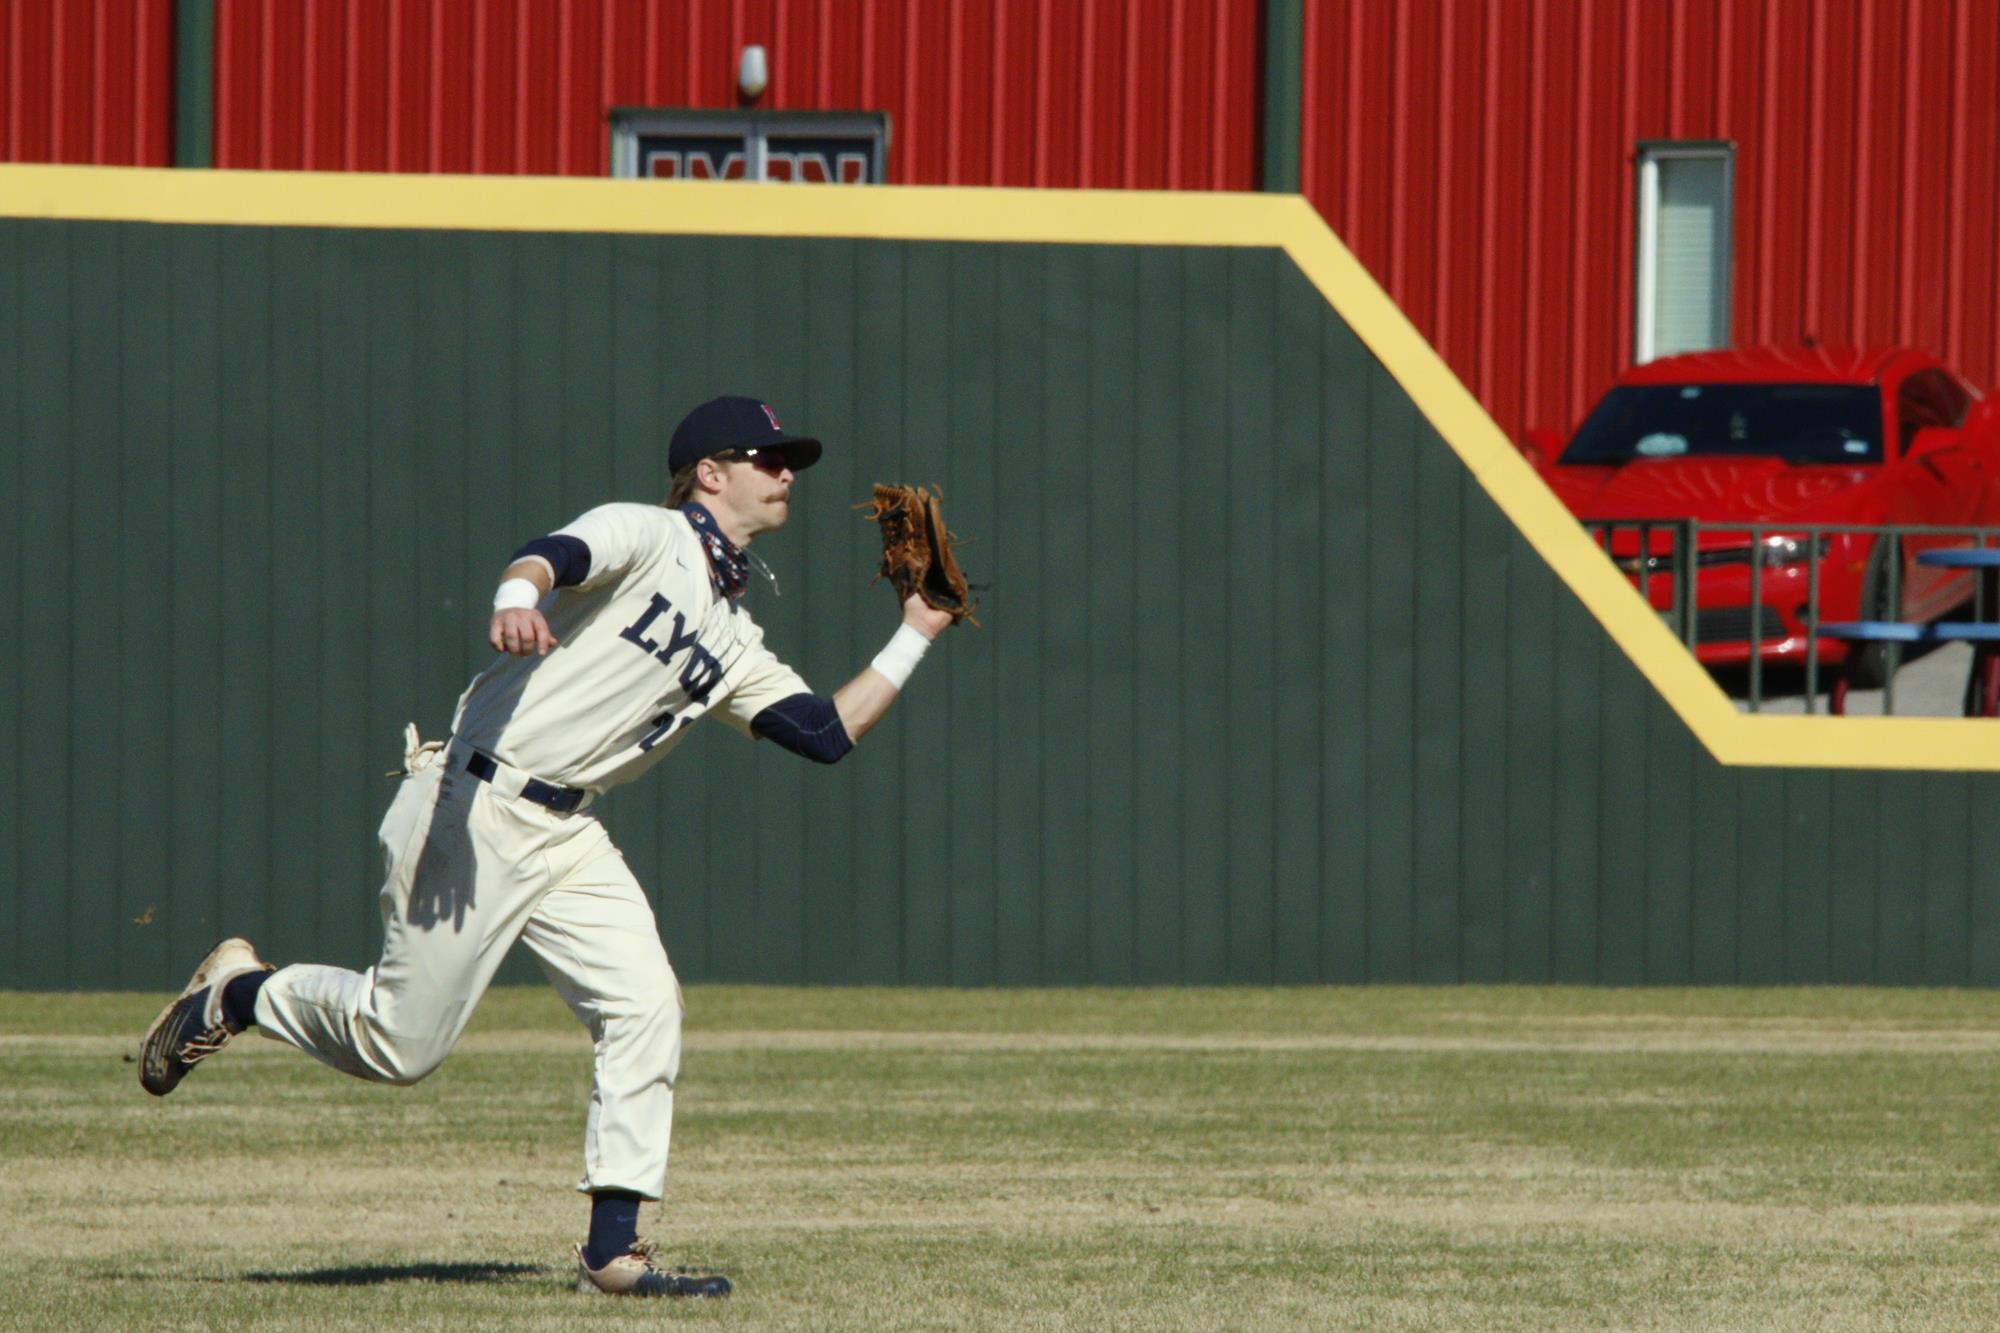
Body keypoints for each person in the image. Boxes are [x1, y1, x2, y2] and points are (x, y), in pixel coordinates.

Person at [139, 395, 954, 1298]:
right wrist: (516, 595)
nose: (786, 471)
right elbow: (555, 554)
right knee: (399, 1046)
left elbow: (822, 732)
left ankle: (614, 1251)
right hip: (475, 797)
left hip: (568, 830)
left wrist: (915, 632)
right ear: (711, 473)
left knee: (646, 1006)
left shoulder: (733, 634)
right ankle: (241, 992)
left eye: (786, 458)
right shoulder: (649, 533)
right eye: (766, 457)